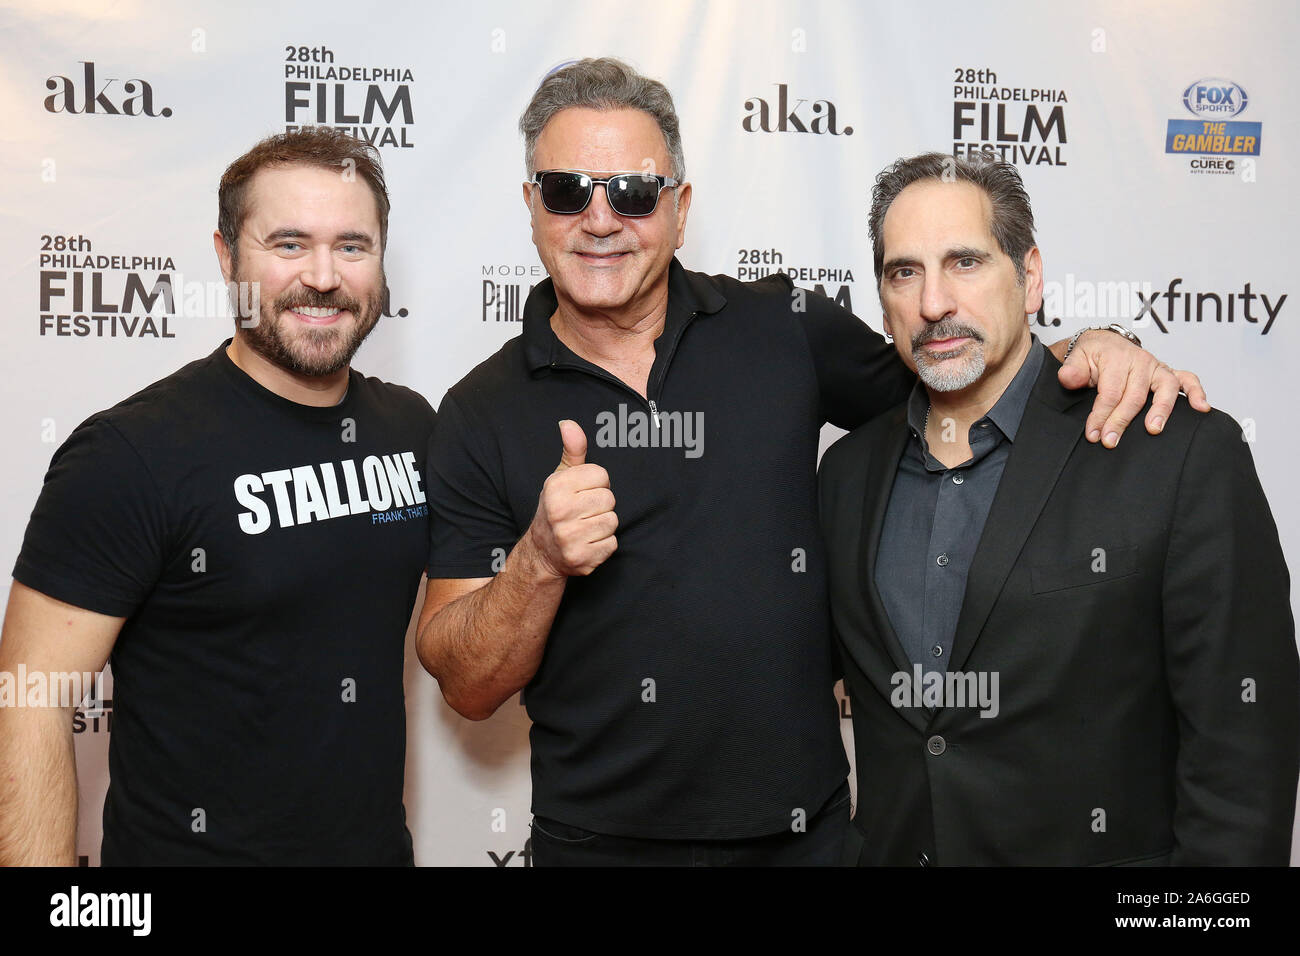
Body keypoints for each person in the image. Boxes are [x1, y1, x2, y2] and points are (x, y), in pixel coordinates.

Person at [416, 57, 1206, 866]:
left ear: (680, 210)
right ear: (531, 207)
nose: (600, 219)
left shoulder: (784, 327)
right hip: (596, 848)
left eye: (633, 191)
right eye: (566, 190)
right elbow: (467, 686)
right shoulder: (479, 413)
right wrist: (540, 559)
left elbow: (957, 370)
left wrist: (1094, 347)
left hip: (807, 842)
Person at [818, 152, 1298, 866]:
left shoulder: (1176, 454)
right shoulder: (846, 473)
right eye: (904, 272)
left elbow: (1242, 758)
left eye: (966, 263)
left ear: (1031, 276)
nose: (933, 302)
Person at [0, 127, 435, 865]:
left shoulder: (413, 430)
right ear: (227, 256)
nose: (324, 277)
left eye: (353, 246)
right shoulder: (131, 454)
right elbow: (31, 703)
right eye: (289, 245)